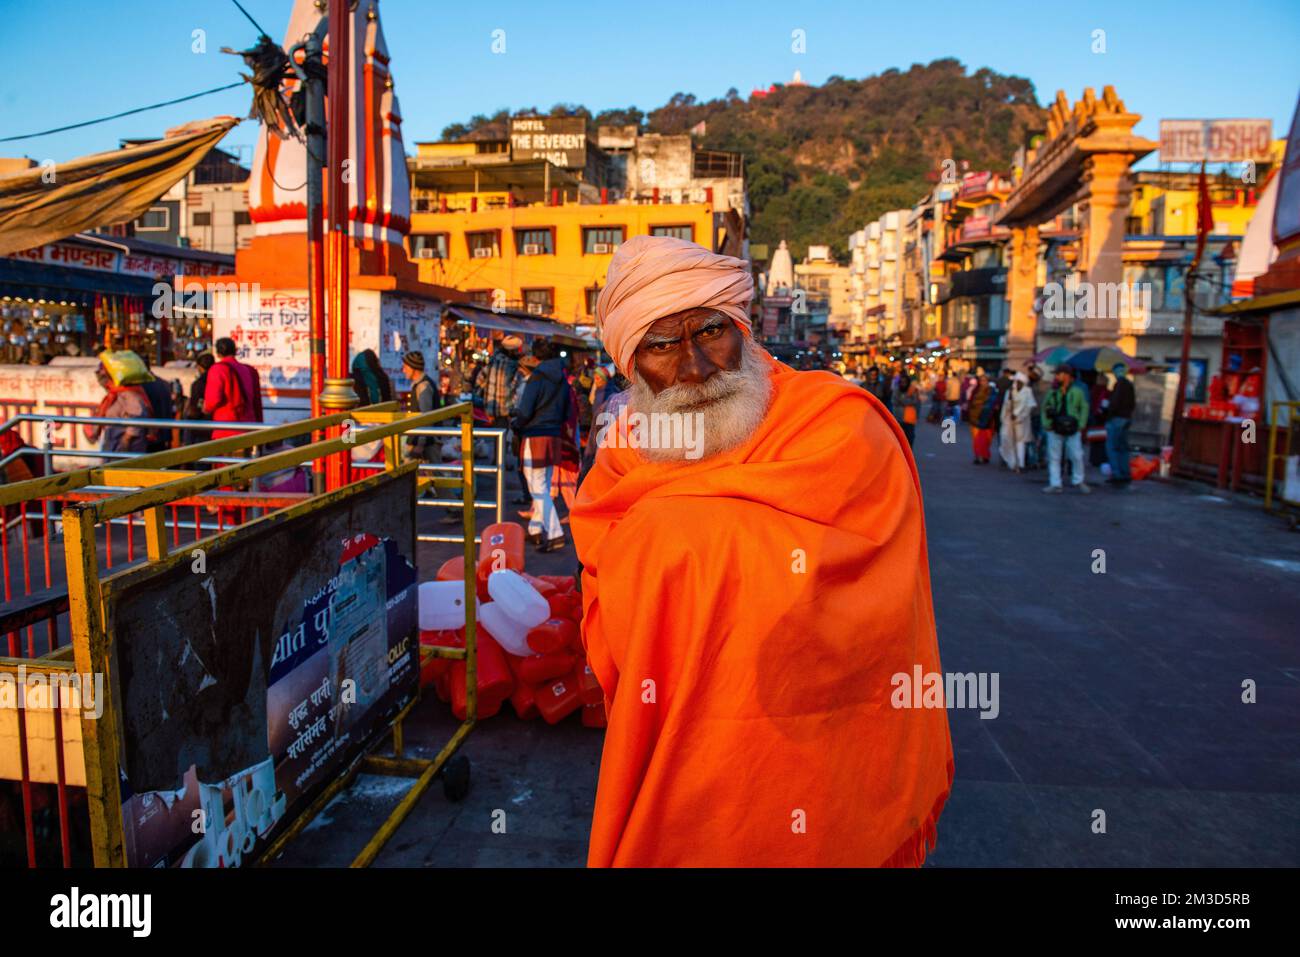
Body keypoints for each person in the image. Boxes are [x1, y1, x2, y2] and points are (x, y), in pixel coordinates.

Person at [571, 235, 952, 867]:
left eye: (711, 331)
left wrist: (675, 539)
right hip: (682, 759)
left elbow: (867, 602)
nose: (694, 368)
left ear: (743, 327)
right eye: (661, 345)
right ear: (628, 363)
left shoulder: (837, 425)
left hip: (820, 757)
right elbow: (606, 580)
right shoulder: (626, 455)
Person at [511, 339, 571, 552]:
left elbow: (525, 410)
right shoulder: (562, 379)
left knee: (537, 487)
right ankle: (535, 529)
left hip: (535, 436)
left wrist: (517, 423)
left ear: (536, 357)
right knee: (543, 484)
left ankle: (555, 534)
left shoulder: (537, 377)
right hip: (553, 435)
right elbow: (567, 412)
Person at [1040, 365, 1091, 494]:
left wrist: (1081, 424)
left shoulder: (1077, 391)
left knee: (1077, 455)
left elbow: (1084, 407)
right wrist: (1046, 423)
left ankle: (1078, 481)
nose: (1056, 377)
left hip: (1072, 427)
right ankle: (1055, 483)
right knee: (1054, 456)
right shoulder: (1053, 391)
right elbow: (1045, 407)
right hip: (1055, 427)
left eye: (1058, 374)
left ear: (1066, 375)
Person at [84, 361, 152, 454]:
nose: (101, 380)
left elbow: (137, 418)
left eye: (103, 376)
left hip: (126, 449)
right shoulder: (114, 394)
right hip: (114, 444)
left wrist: (125, 441)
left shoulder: (129, 394)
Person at [203, 337, 263, 441]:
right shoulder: (247, 369)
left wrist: (205, 407)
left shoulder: (218, 369)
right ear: (235, 351)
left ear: (218, 353)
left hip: (226, 429)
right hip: (248, 427)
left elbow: (212, 401)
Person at [402, 351, 438, 462]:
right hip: (420, 439)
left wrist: (420, 444)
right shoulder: (420, 385)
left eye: (405, 367)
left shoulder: (423, 387)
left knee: (433, 473)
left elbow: (426, 418)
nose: (403, 370)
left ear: (414, 367)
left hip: (423, 442)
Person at [999, 372, 1037, 472]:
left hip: (1021, 421)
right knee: (1007, 439)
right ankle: (1012, 462)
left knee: (1020, 442)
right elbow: (1006, 406)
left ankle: (1020, 464)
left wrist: (1018, 415)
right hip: (1009, 421)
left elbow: (1029, 406)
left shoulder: (1027, 391)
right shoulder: (1010, 391)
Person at [1105, 361, 1136, 486]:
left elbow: (1115, 403)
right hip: (1126, 418)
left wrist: (1108, 412)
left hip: (1116, 418)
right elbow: (1133, 403)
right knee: (1123, 448)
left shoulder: (1119, 385)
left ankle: (1117, 473)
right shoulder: (1129, 384)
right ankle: (1125, 473)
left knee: (1112, 447)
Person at [483, 335, 524, 426]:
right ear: (512, 350)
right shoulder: (514, 365)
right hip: (505, 409)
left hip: (490, 408)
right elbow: (516, 387)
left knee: (492, 436)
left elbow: (480, 379)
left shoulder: (492, 361)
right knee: (503, 436)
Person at [184, 353, 215, 445]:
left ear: (200, 367)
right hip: (215, 423)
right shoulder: (217, 380)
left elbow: (196, 405)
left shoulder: (199, 383)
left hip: (201, 424)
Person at [967, 372, 996, 464]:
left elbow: (991, 404)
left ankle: (984, 456)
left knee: (985, 440)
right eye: (981, 381)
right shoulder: (975, 390)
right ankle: (978, 456)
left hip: (986, 419)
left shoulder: (991, 391)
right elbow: (971, 402)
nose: (982, 382)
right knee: (976, 440)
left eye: (984, 381)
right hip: (974, 418)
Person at [895, 371, 921, 447]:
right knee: (899, 438)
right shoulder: (897, 390)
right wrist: (907, 401)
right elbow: (894, 401)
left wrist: (903, 400)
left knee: (910, 438)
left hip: (910, 418)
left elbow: (915, 402)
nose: (903, 384)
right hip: (899, 417)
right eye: (902, 382)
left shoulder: (913, 390)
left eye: (905, 382)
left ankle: (909, 455)